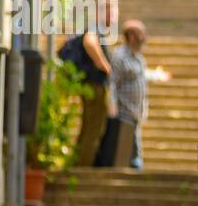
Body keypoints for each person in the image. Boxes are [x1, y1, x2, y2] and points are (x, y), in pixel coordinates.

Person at [106, 20, 167, 170]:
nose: (145, 37)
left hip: (136, 112)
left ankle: (136, 168)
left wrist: (157, 76)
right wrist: (112, 104)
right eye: (142, 34)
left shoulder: (139, 58)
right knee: (125, 149)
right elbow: (112, 82)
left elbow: (141, 77)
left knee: (135, 147)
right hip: (123, 112)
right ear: (132, 36)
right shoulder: (120, 56)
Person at [71, 25, 113, 167]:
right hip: (95, 86)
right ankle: (82, 168)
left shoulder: (96, 29)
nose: (113, 16)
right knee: (94, 129)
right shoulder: (95, 28)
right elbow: (89, 42)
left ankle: (77, 164)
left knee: (89, 127)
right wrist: (105, 66)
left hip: (90, 85)